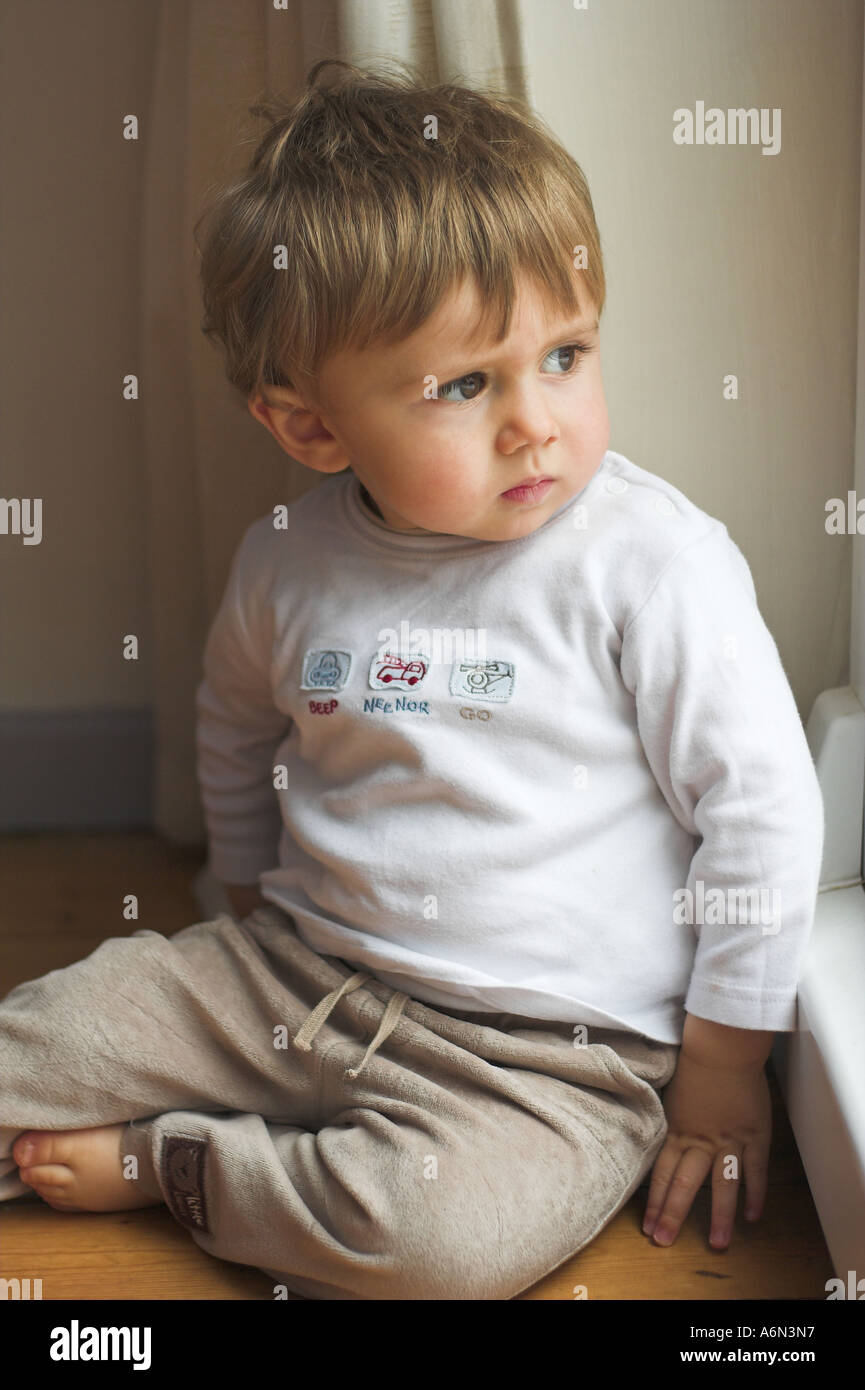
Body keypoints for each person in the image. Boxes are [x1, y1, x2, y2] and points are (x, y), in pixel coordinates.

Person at [0, 59, 824, 1300]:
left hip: (554, 1060)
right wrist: (237, 898)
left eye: (564, 353)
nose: (535, 421)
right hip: (295, 974)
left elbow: (761, 813)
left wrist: (721, 1065)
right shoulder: (291, 560)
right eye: (465, 384)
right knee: (51, 1034)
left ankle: (176, 1164)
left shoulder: (652, 564)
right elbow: (236, 727)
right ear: (313, 428)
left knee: (440, 1249)